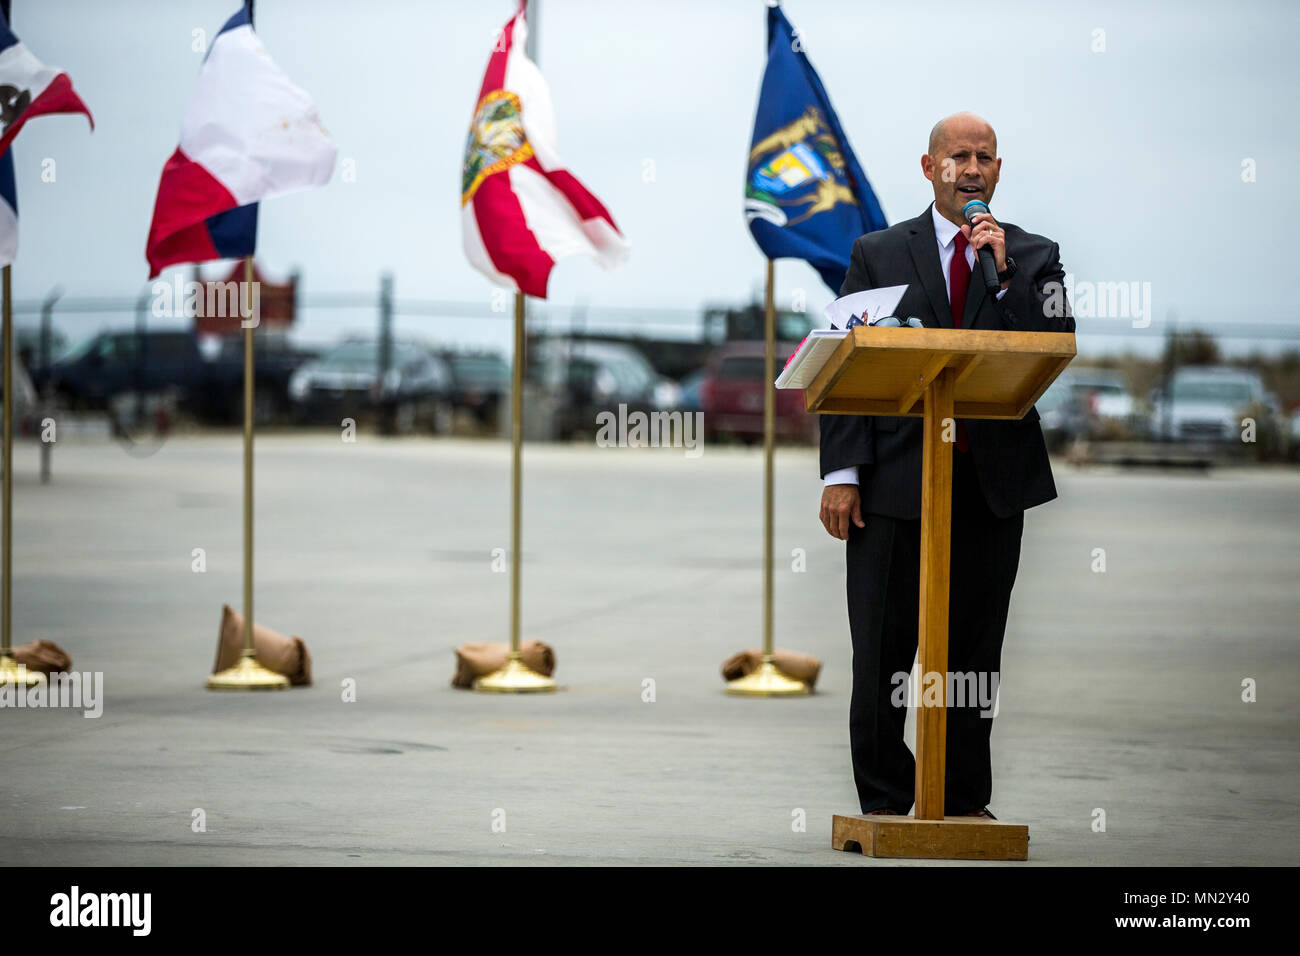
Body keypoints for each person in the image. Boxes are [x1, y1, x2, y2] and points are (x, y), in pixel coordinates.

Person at [818, 112, 1074, 818]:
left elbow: (1051, 341)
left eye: (984, 158)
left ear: (998, 171)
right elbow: (845, 360)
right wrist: (842, 474)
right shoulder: (877, 252)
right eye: (957, 156)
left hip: (990, 485)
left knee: (972, 656)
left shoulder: (1032, 255)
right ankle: (884, 800)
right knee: (881, 652)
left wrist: (1004, 271)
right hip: (894, 485)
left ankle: (963, 800)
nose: (971, 168)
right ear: (929, 168)